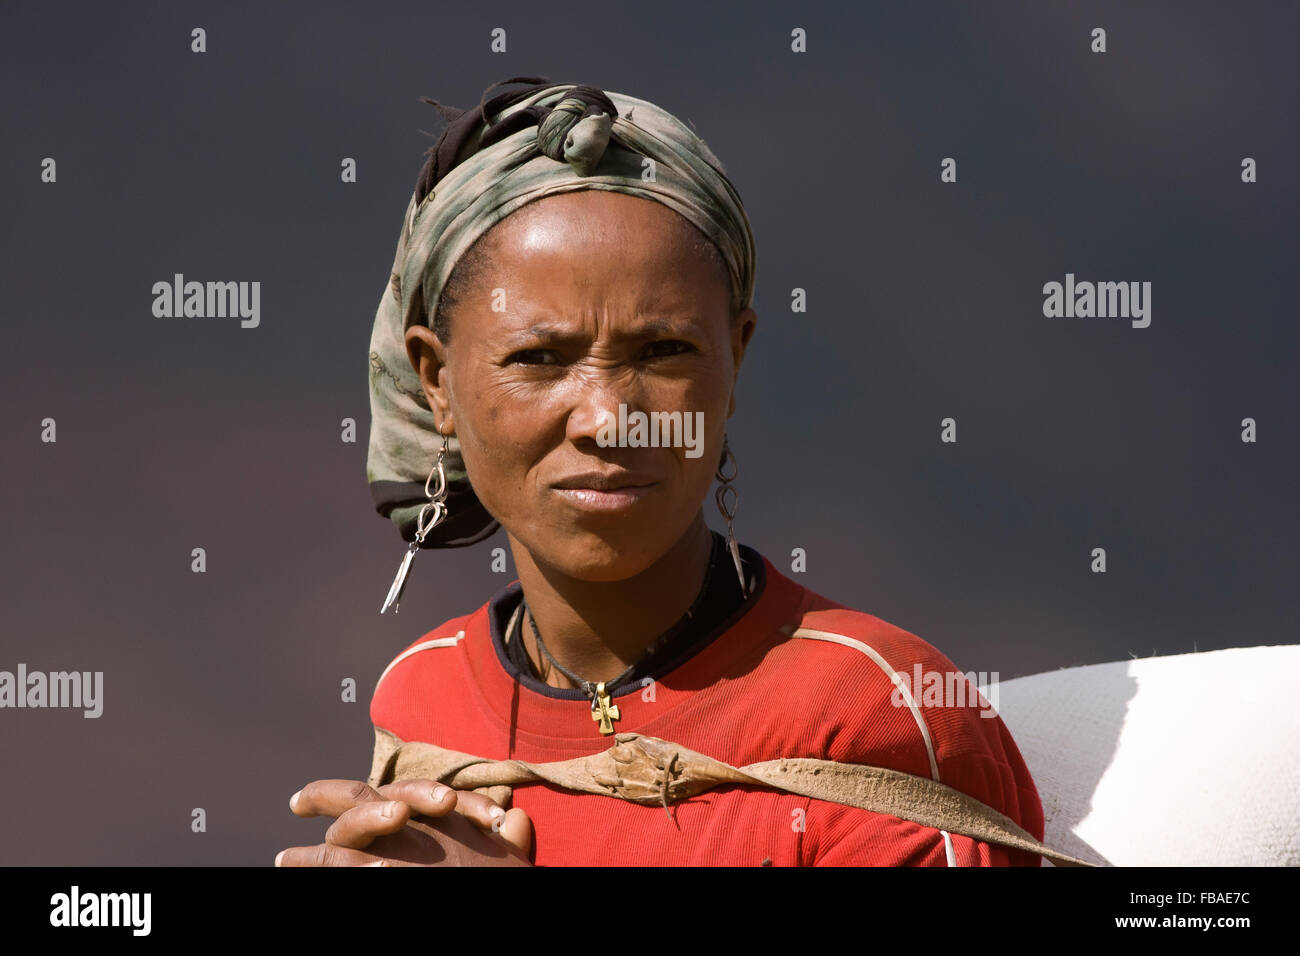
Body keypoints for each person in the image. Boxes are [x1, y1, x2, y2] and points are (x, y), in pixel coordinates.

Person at [275, 76, 1047, 867]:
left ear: (735, 358)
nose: (608, 418)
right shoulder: (425, 703)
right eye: (539, 358)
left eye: (664, 352)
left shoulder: (870, 712)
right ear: (437, 381)